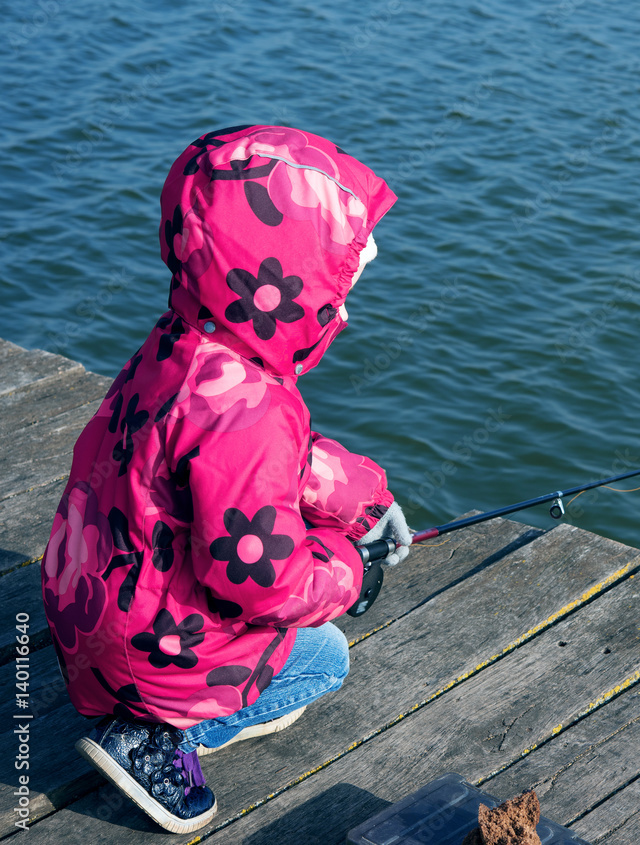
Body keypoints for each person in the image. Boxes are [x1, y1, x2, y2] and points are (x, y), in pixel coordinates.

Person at [40, 125, 411, 834]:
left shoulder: (186, 343)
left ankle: (156, 706)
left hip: (89, 603)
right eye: (334, 290)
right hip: (149, 655)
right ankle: (156, 735)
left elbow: (269, 461)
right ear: (284, 288)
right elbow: (263, 578)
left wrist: (365, 499)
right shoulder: (256, 408)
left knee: (303, 631)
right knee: (325, 657)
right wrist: (347, 572)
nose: (344, 309)